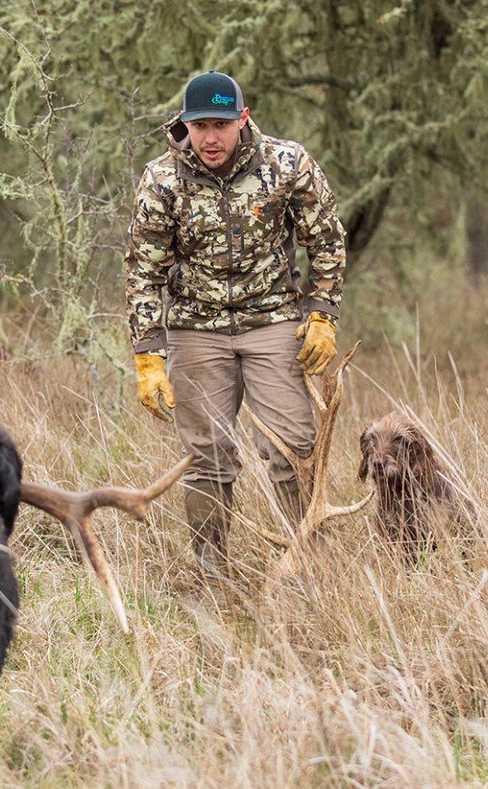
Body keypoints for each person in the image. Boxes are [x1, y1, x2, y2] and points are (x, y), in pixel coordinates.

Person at [124, 71, 347, 579]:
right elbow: (143, 269)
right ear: (184, 124)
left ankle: (306, 567)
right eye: (199, 125)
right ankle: (212, 576)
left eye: (220, 125)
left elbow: (328, 241)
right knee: (207, 458)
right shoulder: (162, 179)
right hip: (195, 328)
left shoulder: (287, 165)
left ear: (242, 120)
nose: (209, 138)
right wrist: (148, 354)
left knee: (293, 448)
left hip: (273, 320)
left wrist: (322, 314)